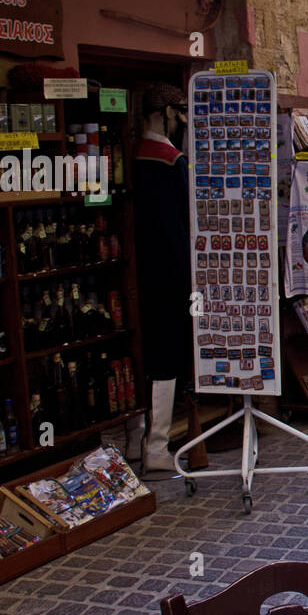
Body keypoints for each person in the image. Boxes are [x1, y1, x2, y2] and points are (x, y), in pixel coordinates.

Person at [130, 83, 192, 476]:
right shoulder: (170, 160)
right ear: (165, 114)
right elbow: (186, 223)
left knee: (143, 353)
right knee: (167, 357)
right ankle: (157, 444)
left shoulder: (133, 157)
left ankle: (136, 438)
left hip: (139, 269)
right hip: (170, 271)